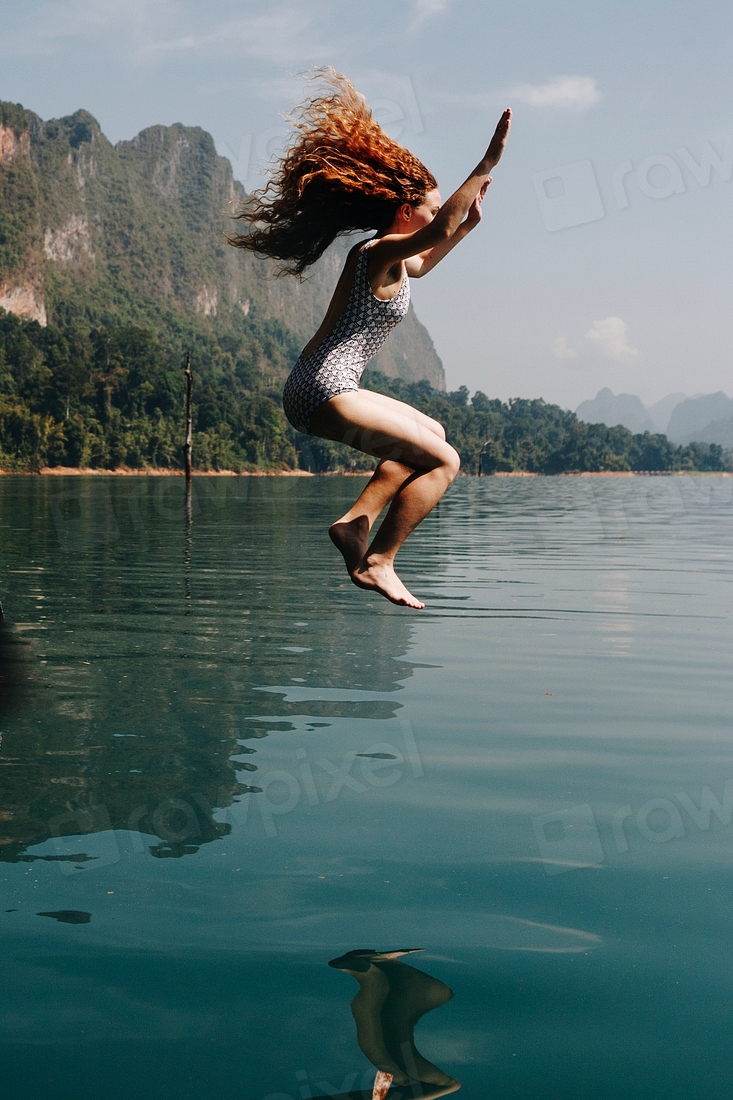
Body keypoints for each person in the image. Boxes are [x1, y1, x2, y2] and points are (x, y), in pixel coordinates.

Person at [229, 70, 511, 609]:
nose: (437, 219)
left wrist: (470, 223)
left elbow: (427, 259)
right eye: (430, 209)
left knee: (432, 433)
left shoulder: (397, 261)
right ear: (405, 214)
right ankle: (379, 560)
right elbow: (430, 236)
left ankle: (354, 525)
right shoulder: (374, 252)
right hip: (322, 388)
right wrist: (485, 165)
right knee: (445, 461)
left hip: (333, 385)